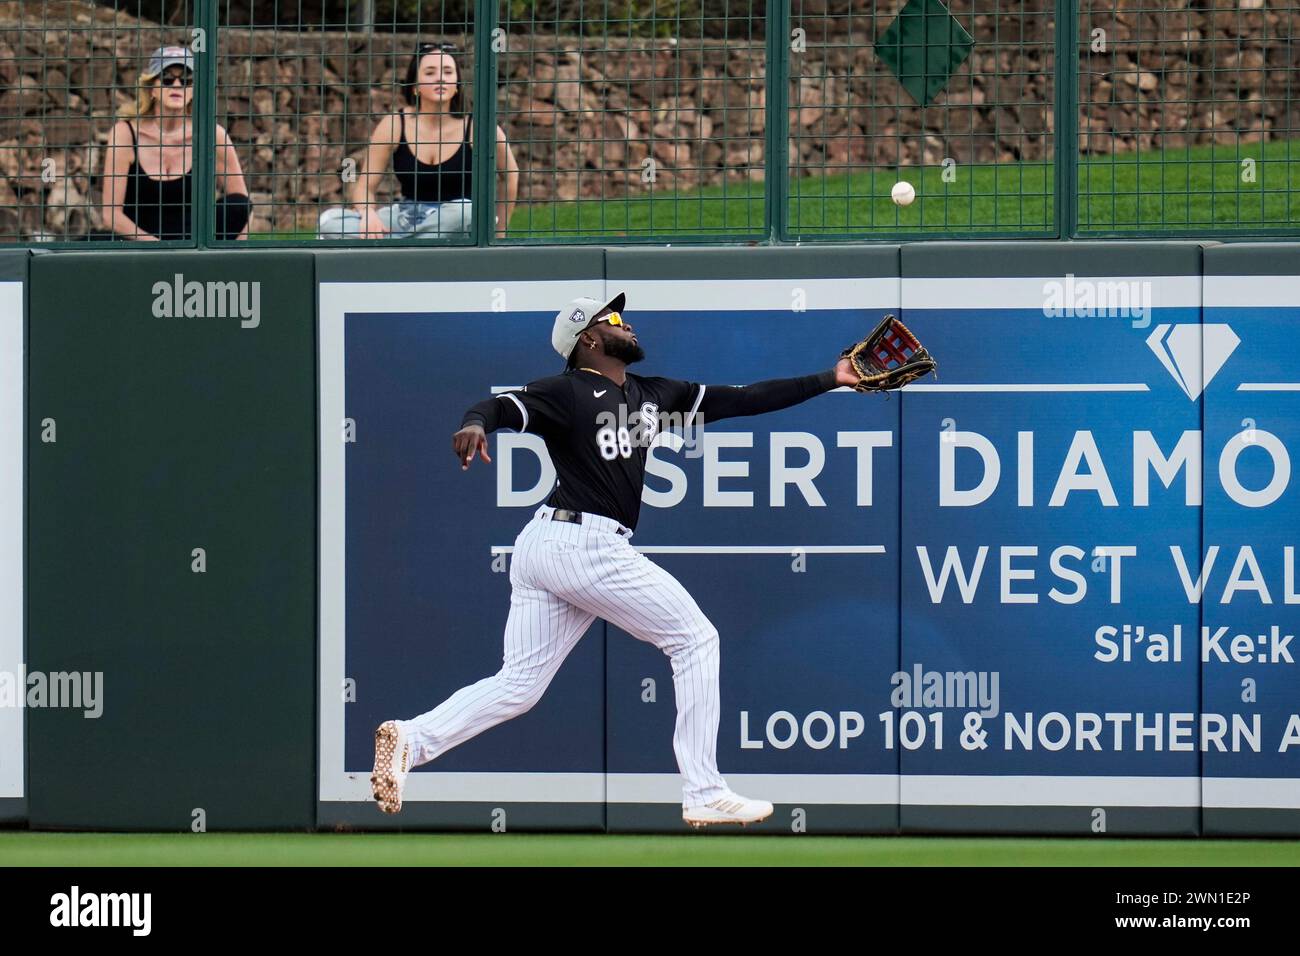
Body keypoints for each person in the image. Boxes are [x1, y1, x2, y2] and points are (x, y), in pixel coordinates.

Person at [371, 293, 864, 827]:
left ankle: (412, 739)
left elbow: (743, 399)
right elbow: (501, 406)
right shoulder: (567, 390)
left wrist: (830, 378)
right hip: (582, 544)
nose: (625, 323)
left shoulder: (656, 394)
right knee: (696, 640)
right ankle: (703, 789)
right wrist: (474, 424)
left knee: (519, 685)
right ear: (587, 339)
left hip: (550, 545)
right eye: (611, 319)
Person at [318, 42, 519, 240]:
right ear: (415, 86)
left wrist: (498, 236)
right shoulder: (395, 124)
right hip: (408, 217)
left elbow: (510, 175)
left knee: (469, 212)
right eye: (430, 73)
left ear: (457, 84)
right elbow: (364, 186)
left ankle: (397, 249)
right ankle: (416, 248)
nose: (440, 78)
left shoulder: (479, 127)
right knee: (331, 222)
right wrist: (368, 214)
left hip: (455, 220)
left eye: (448, 72)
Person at [102, 46, 251, 241]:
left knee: (239, 204)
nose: (177, 85)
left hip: (192, 241)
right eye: (167, 79)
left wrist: (235, 258)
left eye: (186, 80)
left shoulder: (212, 135)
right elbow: (111, 216)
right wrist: (160, 248)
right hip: (139, 243)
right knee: (93, 242)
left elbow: (242, 206)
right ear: (152, 88)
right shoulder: (124, 134)